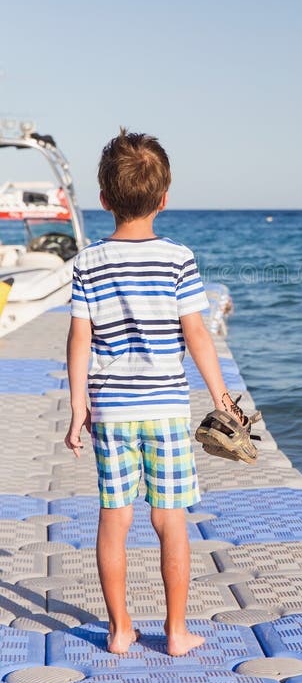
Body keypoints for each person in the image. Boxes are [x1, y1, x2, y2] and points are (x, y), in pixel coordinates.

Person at [64, 128, 254, 655]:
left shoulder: (87, 262)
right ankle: (175, 631)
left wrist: (78, 407)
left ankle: (121, 630)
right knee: (170, 520)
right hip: (165, 409)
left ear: (103, 199)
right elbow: (196, 333)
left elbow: (80, 338)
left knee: (114, 519)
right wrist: (222, 398)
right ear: (165, 198)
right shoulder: (178, 258)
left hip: (110, 411)